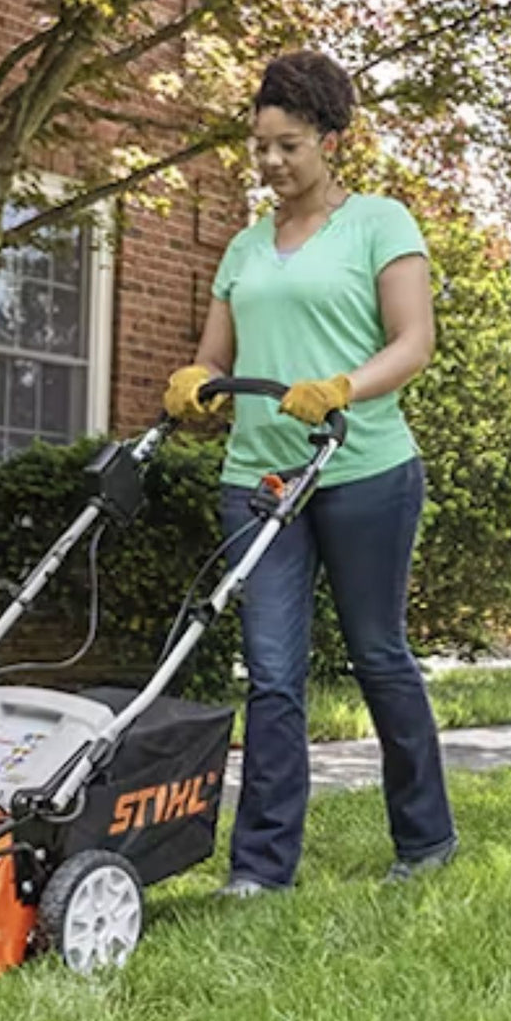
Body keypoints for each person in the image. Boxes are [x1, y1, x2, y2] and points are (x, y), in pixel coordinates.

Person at [163, 49, 457, 896]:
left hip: (364, 470)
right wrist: (195, 383)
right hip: (259, 481)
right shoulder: (244, 247)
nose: (271, 161)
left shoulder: (380, 224)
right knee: (272, 675)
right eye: (260, 145)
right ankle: (261, 869)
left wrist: (341, 389)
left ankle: (426, 840)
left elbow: (413, 343)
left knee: (378, 654)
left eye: (288, 145)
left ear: (330, 140)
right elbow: (215, 356)